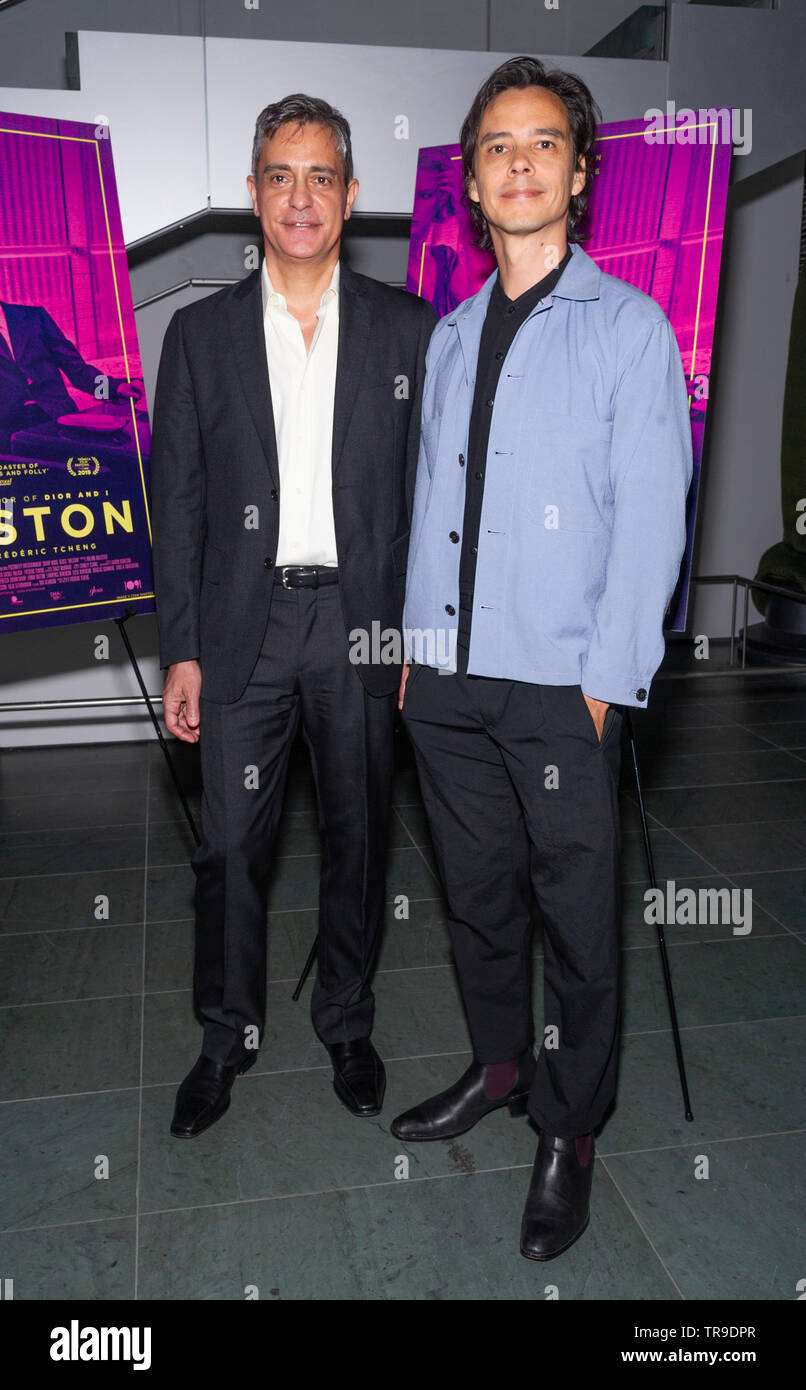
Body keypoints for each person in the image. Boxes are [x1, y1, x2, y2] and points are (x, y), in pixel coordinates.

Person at [394, 56, 693, 1260]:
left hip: (561, 680)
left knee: (573, 916)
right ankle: (499, 1062)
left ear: (577, 175)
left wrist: (604, 684)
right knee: (475, 899)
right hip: (448, 684)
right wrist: (416, 653)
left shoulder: (626, 327)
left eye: (542, 145)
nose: (518, 163)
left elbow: (653, 519)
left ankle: (568, 1129)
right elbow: (430, 504)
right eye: (495, 147)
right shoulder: (453, 334)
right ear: (469, 182)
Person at [149, 94, 436, 1139]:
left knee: (359, 838)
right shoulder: (199, 336)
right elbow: (173, 501)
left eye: (321, 176)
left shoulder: (409, 329)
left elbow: (430, 501)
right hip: (239, 629)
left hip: (361, 628)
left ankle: (346, 1023)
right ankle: (224, 1038)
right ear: (253, 194)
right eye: (281, 174)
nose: (300, 195)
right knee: (228, 847)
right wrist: (179, 647)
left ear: (351, 196)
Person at [0, 299, 141, 444]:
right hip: (7, 432)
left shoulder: (34, 317)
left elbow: (76, 370)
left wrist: (115, 388)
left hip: (60, 419)